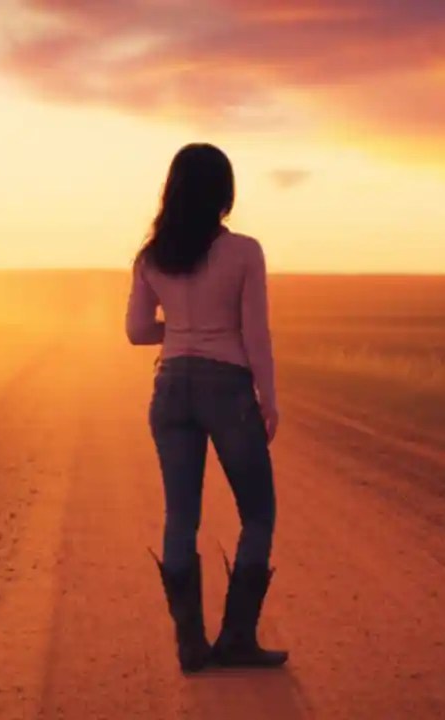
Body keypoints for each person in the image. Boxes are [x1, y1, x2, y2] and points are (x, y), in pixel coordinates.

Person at [125, 143, 288, 673]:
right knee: (258, 512)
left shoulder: (151, 257)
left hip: (171, 386)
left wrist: (181, 333)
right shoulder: (244, 252)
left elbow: (135, 332)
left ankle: (191, 647)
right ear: (224, 191)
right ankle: (237, 638)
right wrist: (268, 396)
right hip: (228, 388)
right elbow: (255, 334)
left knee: (181, 515)